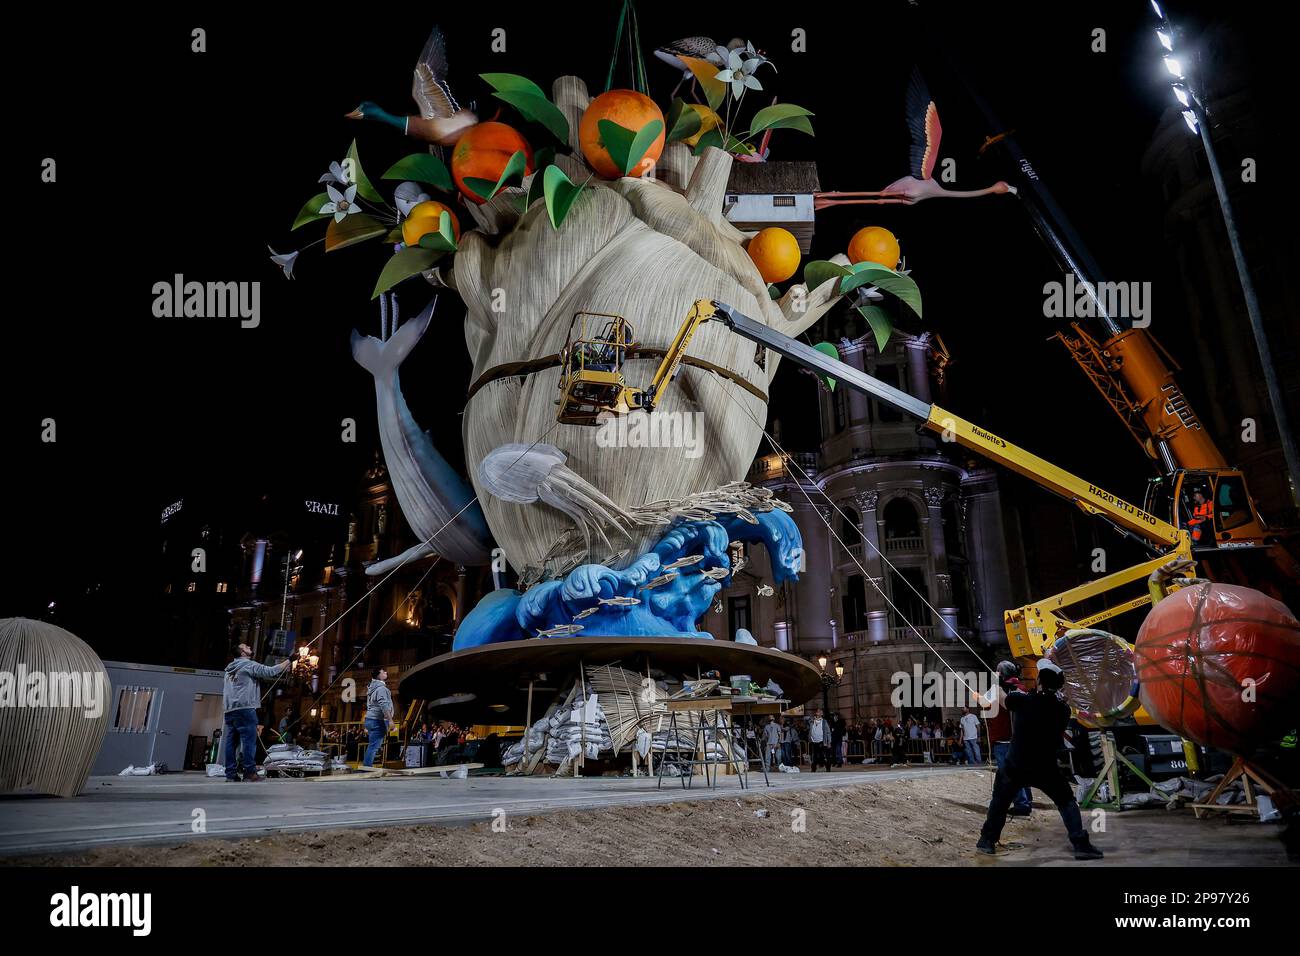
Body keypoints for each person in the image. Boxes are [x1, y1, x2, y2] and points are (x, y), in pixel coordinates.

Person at [976, 659, 1103, 860]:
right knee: (1067, 802)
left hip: (1016, 763)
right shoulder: (1062, 709)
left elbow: (1003, 699)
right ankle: (1080, 844)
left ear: (1040, 681)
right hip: (1046, 766)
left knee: (999, 802)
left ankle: (987, 841)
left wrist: (998, 683)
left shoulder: (1025, 700)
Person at [222, 643, 290, 782]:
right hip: (245, 709)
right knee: (249, 742)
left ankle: (230, 774)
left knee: (231, 743)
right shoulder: (248, 665)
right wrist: (289, 660)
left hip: (229, 710)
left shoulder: (229, 670)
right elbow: (270, 671)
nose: (248, 646)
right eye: (245, 647)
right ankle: (249, 773)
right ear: (242, 653)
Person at [977, 662, 1032, 816]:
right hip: (1020, 738)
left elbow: (983, 703)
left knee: (1009, 774)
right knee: (1020, 771)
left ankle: (1021, 804)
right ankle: (1027, 800)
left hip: (1003, 737)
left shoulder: (997, 689)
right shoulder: (1022, 688)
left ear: (1000, 674)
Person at [363, 666, 395, 767]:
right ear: (378, 675)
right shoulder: (381, 689)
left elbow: (370, 705)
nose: (386, 672)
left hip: (370, 719)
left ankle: (366, 767)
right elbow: (384, 705)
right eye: (383, 671)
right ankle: (366, 768)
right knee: (374, 747)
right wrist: (390, 721)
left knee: (372, 746)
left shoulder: (371, 687)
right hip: (378, 720)